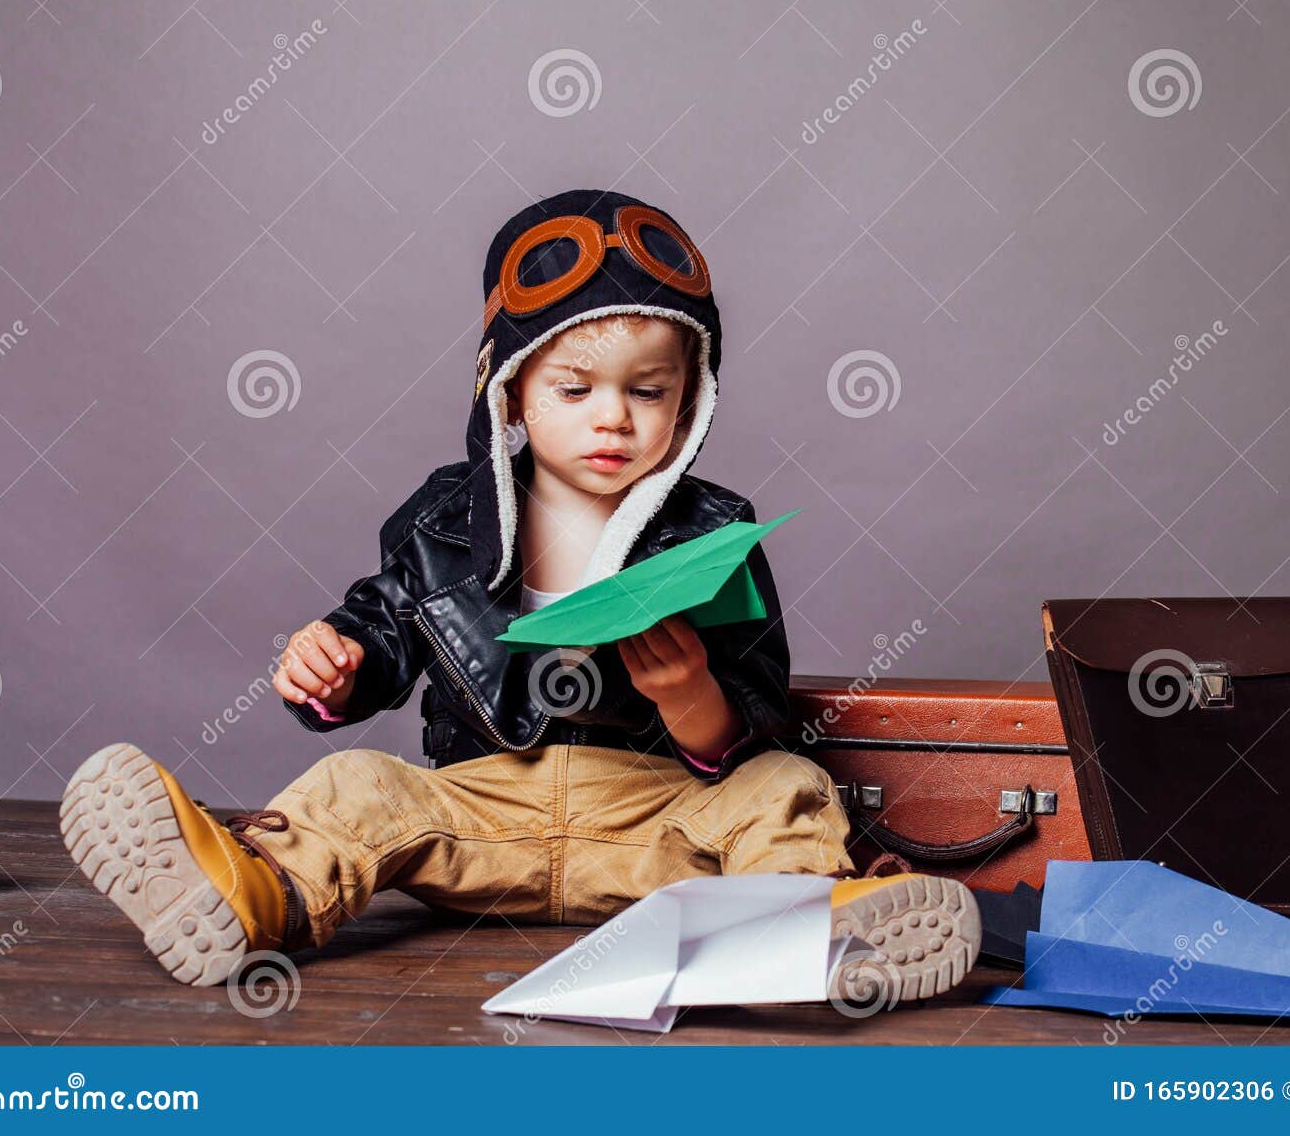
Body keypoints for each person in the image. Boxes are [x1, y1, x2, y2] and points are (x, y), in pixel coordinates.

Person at [60, 189, 981, 1011]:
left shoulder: (711, 529)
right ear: (510, 391)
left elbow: (758, 725)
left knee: (789, 788)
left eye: (648, 391)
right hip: (476, 814)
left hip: (655, 822)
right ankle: (247, 895)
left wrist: (689, 695)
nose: (613, 417)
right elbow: (378, 636)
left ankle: (794, 926)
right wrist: (332, 664)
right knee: (360, 786)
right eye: (575, 388)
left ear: (692, 399)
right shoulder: (441, 520)